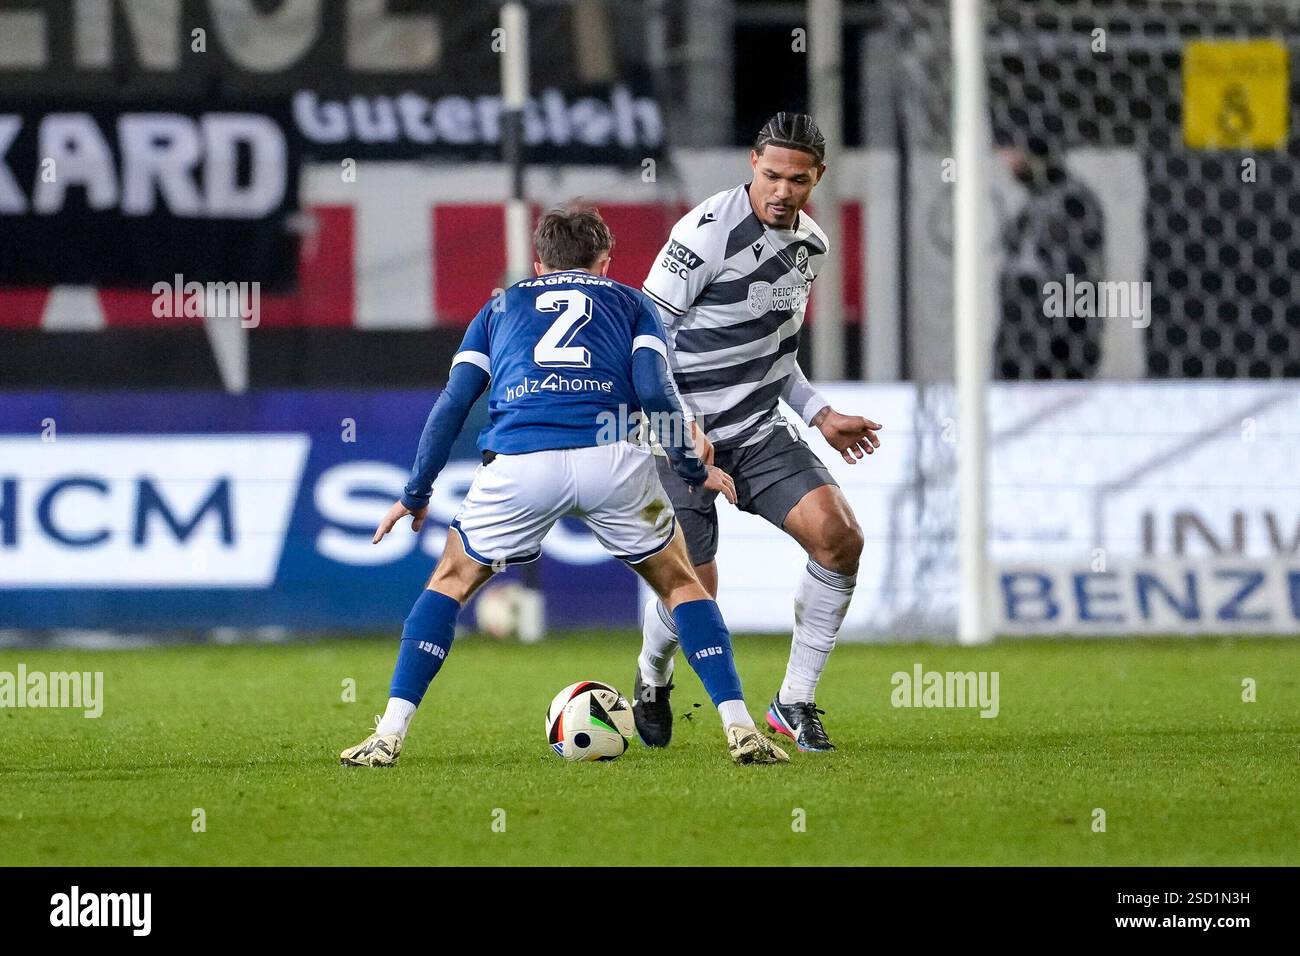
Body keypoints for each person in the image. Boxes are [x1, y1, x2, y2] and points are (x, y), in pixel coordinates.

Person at [340, 203, 788, 767]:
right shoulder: (630, 303)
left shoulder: (500, 305)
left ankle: (388, 735)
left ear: (537, 262)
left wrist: (416, 492)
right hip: (611, 459)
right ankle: (741, 729)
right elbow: (653, 392)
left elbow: (454, 401)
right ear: (606, 263)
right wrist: (690, 465)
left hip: (521, 460)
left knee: (448, 584)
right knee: (683, 586)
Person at [632, 112, 882, 753]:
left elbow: (777, 355)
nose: (781, 190)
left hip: (759, 429)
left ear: (816, 179)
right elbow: (647, 344)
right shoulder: (703, 234)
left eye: (797, 180)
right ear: (752, 165)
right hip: (675, 434)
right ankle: (651, 674)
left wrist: (821, 414)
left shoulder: (812, 248)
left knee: (839, 539)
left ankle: (794, 701)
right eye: (771, 175)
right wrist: (685, 434)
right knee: (694, 591)